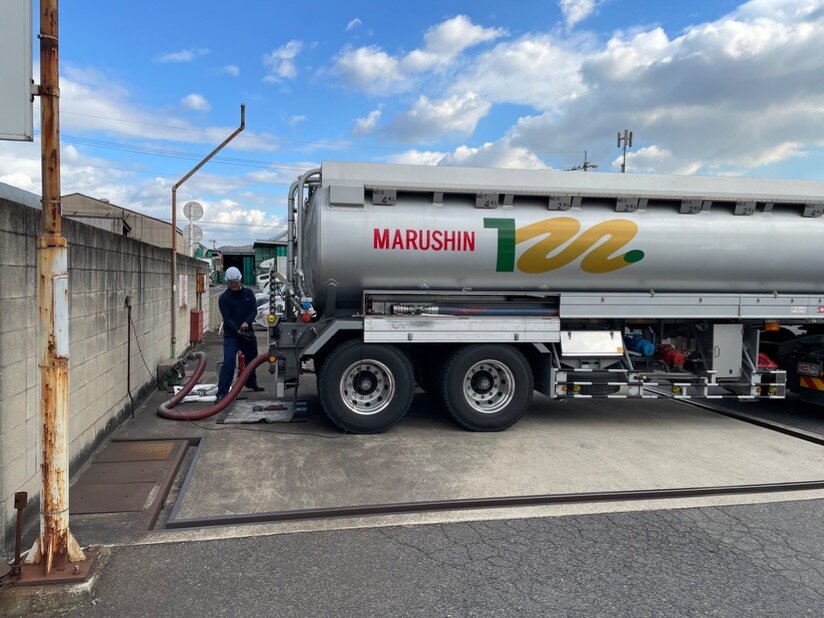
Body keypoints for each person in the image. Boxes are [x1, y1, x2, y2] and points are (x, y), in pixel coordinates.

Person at [216, 266, 264, 402]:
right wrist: (237, 330)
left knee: (252, 359)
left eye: (235, 282)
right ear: (227, 282)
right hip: (232, 335)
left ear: (240, 280)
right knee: (229, 361)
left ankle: (251, 381)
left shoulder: (248, 293)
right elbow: (227, 318)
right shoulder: (224, 298)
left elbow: (253, 311)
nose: (233, 285)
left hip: (247, 332)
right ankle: (222, 392)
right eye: (231, 283)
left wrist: (246, 323)